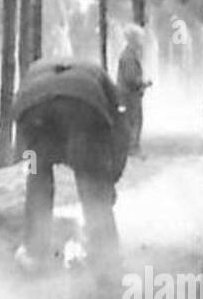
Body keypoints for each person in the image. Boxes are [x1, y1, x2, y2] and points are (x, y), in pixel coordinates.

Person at [11, 58, 129, 271]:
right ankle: (105, 258)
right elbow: (121, 132)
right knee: (91, 184)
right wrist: (108, 180)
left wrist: (30, 167)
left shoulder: (36, 69)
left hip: (31, 112)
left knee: (37, 183)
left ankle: (34, 253)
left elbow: (22, 127)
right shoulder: (100, 77)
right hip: (82, 108)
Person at [115, 24, 153, 156]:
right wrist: (144, 82)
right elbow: (130, 78)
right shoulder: (129, 56)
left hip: (129, 94)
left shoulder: (129, 54)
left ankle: (132, 148)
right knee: (134, 121)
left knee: (132, 120)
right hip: (129, 95)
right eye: (140, 37)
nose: (142, 40)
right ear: (134, 39)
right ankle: (133, 149)